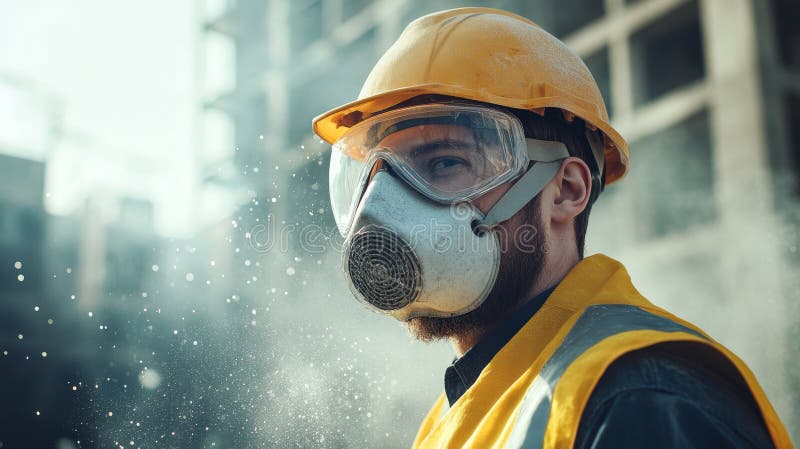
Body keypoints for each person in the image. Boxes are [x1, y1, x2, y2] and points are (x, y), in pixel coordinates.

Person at [311, 7, 792, 449]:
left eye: (445, 162)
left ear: (565, 191)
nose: (383, 204)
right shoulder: (459, 411)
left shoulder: (639, 396)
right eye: (378, 172)